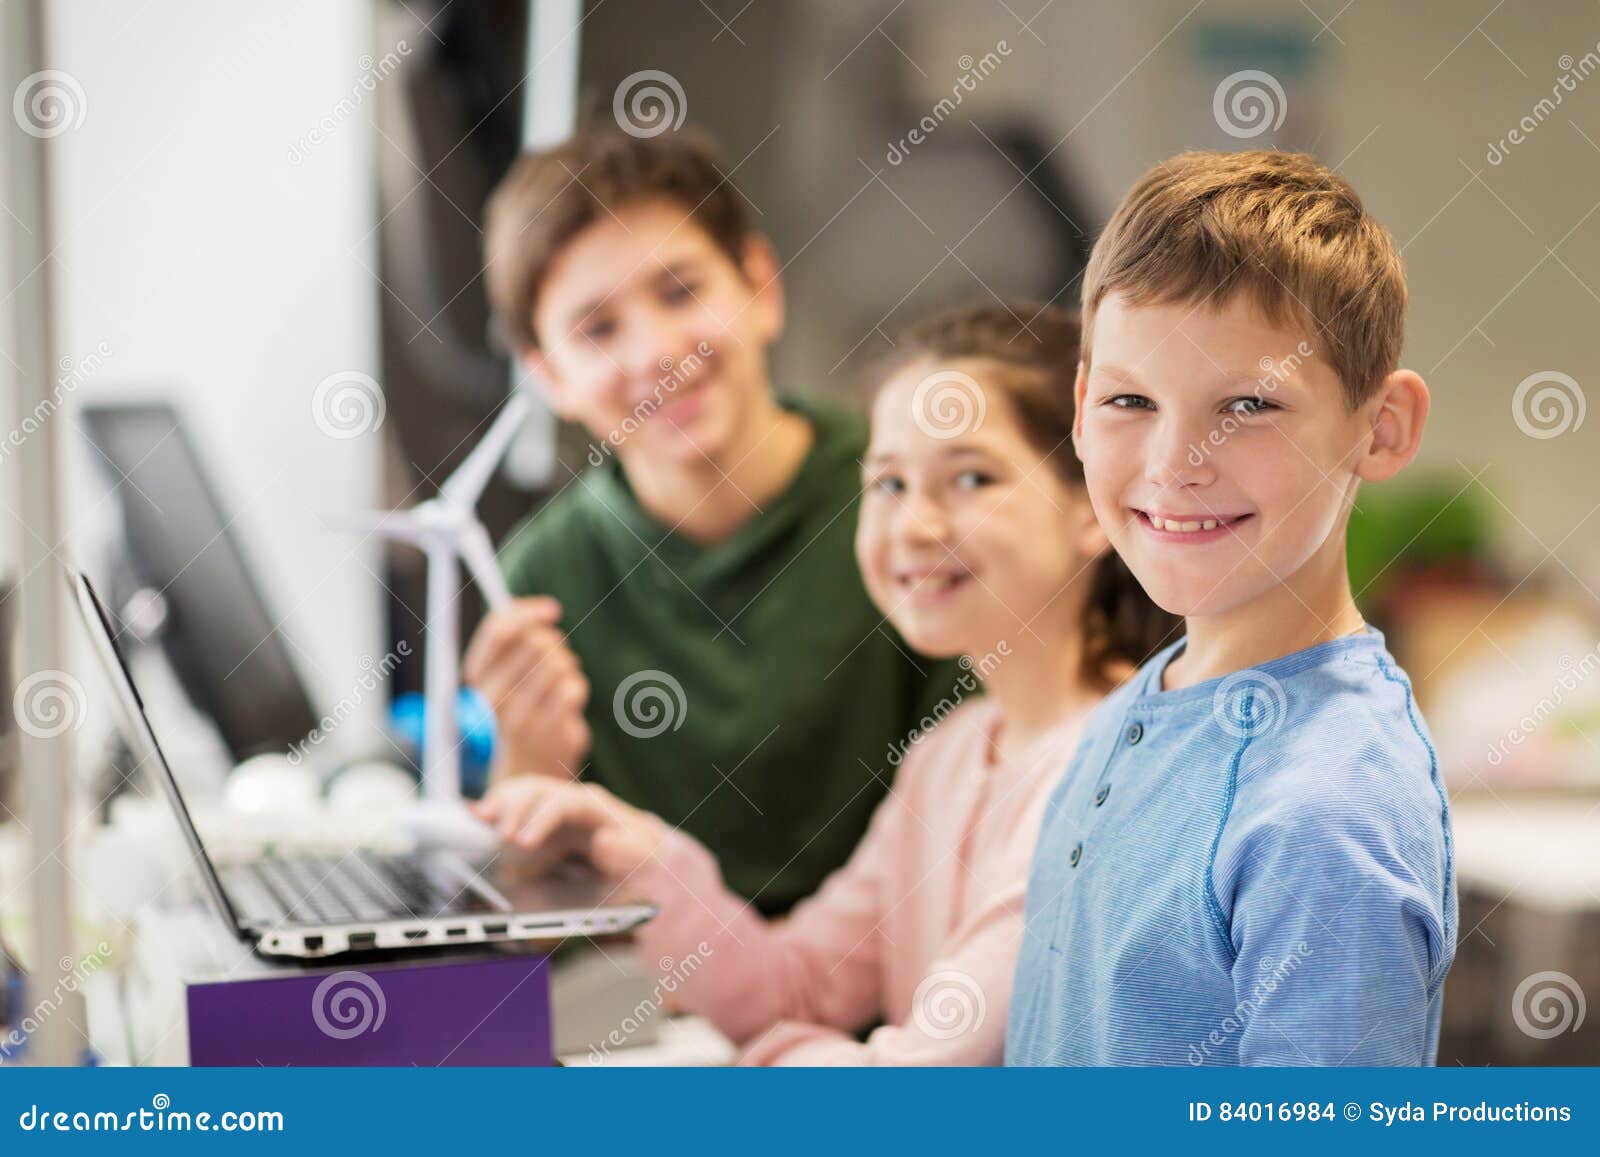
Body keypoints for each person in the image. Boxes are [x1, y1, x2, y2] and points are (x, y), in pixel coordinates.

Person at [472, 303, 1176, 1064]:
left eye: (971, 477)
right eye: (889, 483)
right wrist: (639, 852)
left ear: (1094, 506)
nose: (914, 525)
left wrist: (766, 1063)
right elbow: (800, 988)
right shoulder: (951, 750)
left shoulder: (1117, 778)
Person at [1006, 150, 1457, 1066]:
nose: (1176, 461)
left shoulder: (1326, 812)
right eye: (1133, 398)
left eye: (1248, 403)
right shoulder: (1137, 710)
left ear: (1382, 426)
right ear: (1084, 407)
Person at [465, 126, 959, 913]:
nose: (658, 349)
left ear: (760, 285)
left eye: (680, 291)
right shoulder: (540, 583)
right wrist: (529, 765)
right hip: (658, 1014)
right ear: (548, 374)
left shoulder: (918, 506)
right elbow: (537, 933)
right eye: (597, 329)